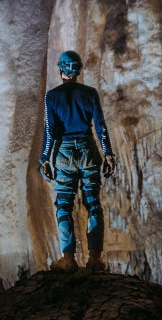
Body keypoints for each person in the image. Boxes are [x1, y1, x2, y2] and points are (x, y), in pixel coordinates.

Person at [39, 50, 116, 273]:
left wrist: (45, 158)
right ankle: (94, 258)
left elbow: (50, 131)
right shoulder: (90, 93)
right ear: (79, 71)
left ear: (60, 70)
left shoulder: (52, 97)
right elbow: (100, 127)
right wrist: (108, 154)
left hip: (63, 152)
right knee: (93, 202)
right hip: (87, 149)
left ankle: (68, 258)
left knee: (64, 203)